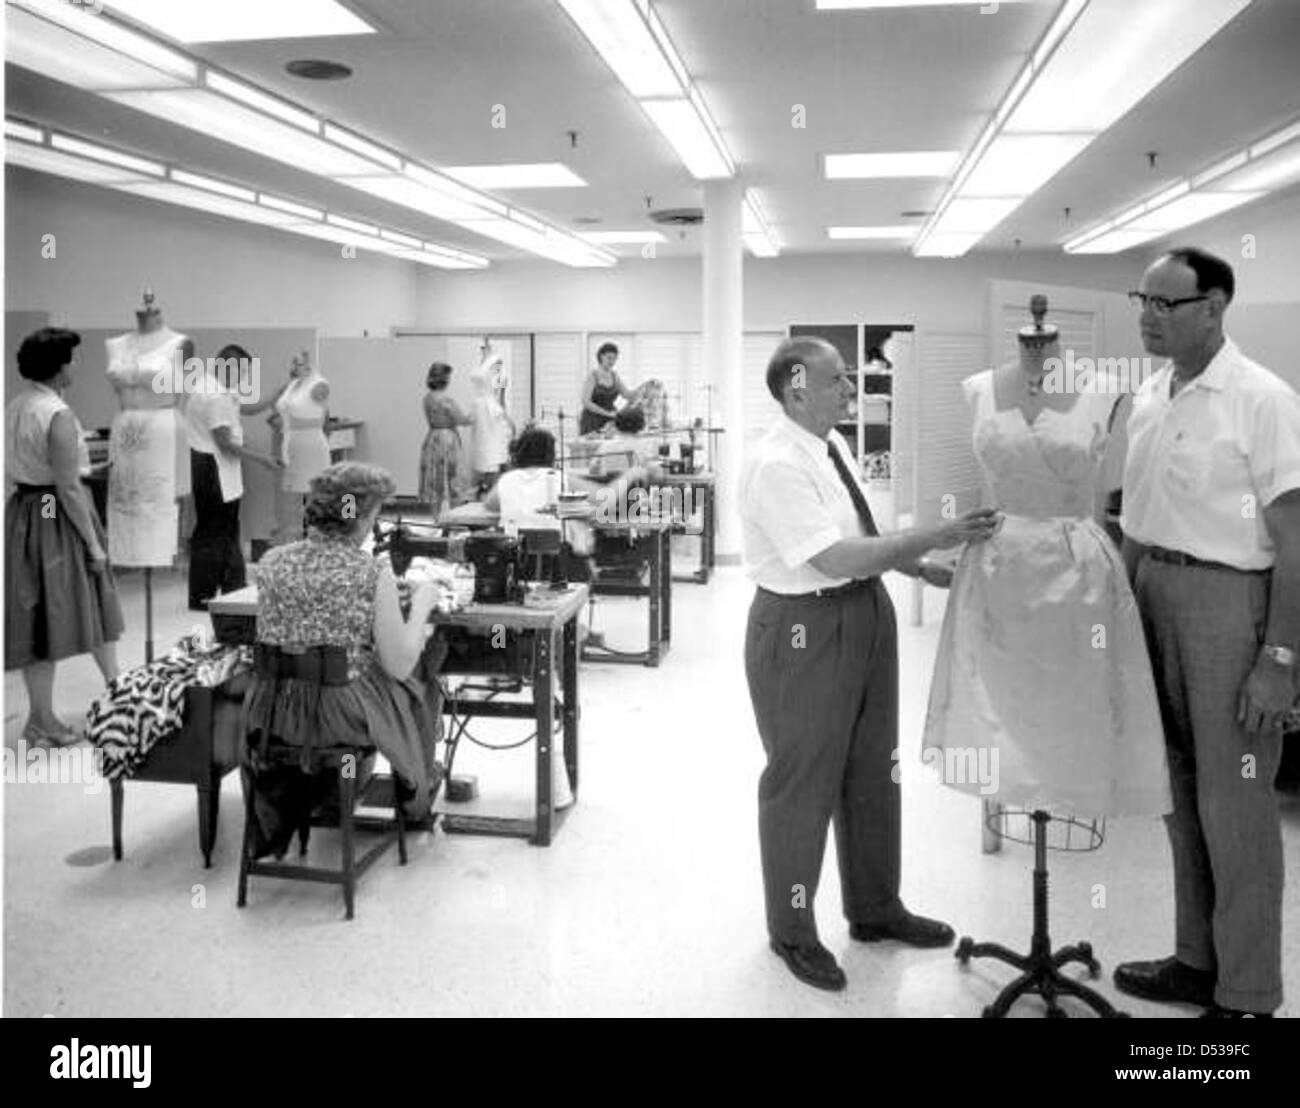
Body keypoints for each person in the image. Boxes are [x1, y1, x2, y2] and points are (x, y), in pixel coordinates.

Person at [740, 336, 1001, 991]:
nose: (851, 391)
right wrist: (937, 533)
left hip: (865, 612)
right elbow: (828, 559)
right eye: (839, 381)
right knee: (803, 782)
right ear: (797, 386)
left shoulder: (834, 447)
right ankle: (793, 931)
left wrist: (918, 565)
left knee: (874, 770)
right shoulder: (774, 463)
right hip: (804, 628)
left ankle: (876, 908)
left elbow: (860, 536)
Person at [1113, 247, 1300, 1019]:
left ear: (1215, 307)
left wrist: (1280, 659)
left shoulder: (1262, 399)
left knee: (1238, 807)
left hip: (1229, 604)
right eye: (1144, 301)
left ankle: (1249, 993)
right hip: (1152, 590)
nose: (1148, 316)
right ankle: (1197, 961)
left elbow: (1294, 540)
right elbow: (1136, 518)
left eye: (1166, 303)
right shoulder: (1152, 394)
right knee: (1178, 795)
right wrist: (1120, 618)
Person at [921, 299, 1171, 819]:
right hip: (998, 561)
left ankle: (1077, 791)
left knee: (1076, 694)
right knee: (996, 697)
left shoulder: (1104, 387)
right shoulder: (979, 387)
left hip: (1077, 563)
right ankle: (1004, 794)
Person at [241, 462, 447, 857]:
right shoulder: (369, 572)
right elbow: (398, 662)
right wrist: (421, 607)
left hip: (271, 712)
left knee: (370, 671)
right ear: (361, 518)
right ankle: (414, 793)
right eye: (374, 516)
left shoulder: (272, 562)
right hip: (332, 715)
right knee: (418, 678)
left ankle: (333, 791)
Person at [5, 328, 123, 745]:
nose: (75, 365)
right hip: (55, 514)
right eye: (71, 359)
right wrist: (93, 544)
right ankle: (120, 699)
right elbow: (67, 486)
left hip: (25, 510)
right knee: (95, 596)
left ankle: (40, 718)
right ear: (59, 366)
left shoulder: (16, 405)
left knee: (33, 614)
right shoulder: (56, 413)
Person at [184, 343, 280, 611]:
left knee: (227, 528)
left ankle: (232, 588)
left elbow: (247, 408)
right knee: (213, 531)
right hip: (212, 468)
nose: (242, 378)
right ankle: (203, 595)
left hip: (215, 466)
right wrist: (262, 459)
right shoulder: (214, 395)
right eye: (241, 372)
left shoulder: (214, 386)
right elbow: (224, 442)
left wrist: (282, 391)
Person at [269, 350, 331, 543]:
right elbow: (280, 410)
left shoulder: (318, 385)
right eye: (293, 363)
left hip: (311, 444)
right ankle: (291, 541)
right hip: (292, 443)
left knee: (314, 494)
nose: (295, 366)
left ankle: (316, 541)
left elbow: (323, 413)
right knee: (290, 497)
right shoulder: (293, 386)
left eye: (300, 363)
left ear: (309, 364)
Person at [418, 361, 472, 515]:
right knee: (453, 478)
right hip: (447, 440)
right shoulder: (446, 401)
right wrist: (475, 415)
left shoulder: (427, 398)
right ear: (445, 379)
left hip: (432, 437)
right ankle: (455, 517)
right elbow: (462, 420)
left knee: (435, 480)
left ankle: (437, 518)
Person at [468, 347, 514, 497]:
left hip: (491, 410)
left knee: (492, 452)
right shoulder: (480, 360)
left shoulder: (497, 361)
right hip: (479, 409)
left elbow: (501, 389)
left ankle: (493, 492)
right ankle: (483, 489)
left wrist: (504, 413)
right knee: (481, 452)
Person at [579, 342, 633, 435]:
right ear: (601, 356)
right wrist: (606, 413)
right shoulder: (593, 376)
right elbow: (585, 402)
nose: (612, 362)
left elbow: (627, 395)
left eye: (615, 359)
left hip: (610, 419)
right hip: (593, 419)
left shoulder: (614, 376)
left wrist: (645, 388)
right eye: (609, 358)